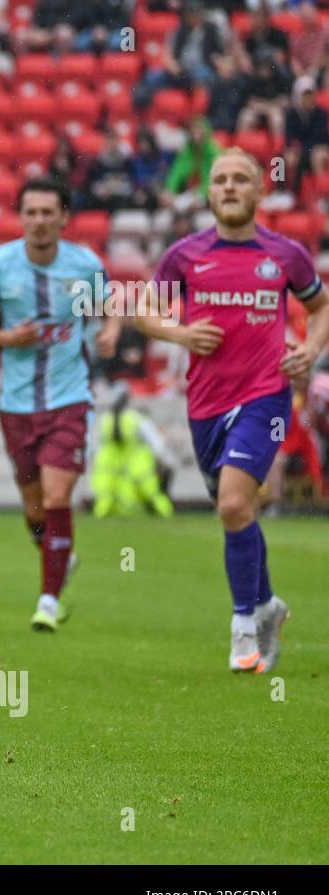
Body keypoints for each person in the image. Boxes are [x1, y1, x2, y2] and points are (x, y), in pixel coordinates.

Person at [136, 148, 329, 674]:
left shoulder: (285, 254)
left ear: (259, 192)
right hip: (204, 403)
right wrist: (180, 332)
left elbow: (321, 306)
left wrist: (309, 351)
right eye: (220, 180)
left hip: (266, 396)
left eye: (240, 179)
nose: (229, 187)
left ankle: (244, 621)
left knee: (231, 505)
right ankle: (267, 604)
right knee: (237, 510)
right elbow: (144, 312)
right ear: (208, 193)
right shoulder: (185, 256)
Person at [0, 177, 120, 632]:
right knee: (34, 511)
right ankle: (58, 555)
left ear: (64, 217)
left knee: (56, 497)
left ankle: (49, 600)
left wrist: (109, 331)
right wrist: (8, 338)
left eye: (48, 212)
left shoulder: (84, 265)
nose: (39, 221)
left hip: (69, 399)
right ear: (22, 217)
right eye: (31, 212)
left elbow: (107, 309)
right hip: (16, 404)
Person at [90, 387, 175, 518]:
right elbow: (156, 442)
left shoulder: (105, 420)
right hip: (134, 462)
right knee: (149, 490)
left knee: (107, 492)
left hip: (113, 463)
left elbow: (97, 443)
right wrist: (163, 459)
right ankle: (165, 513)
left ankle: (100, 515)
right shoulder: (136, 419)